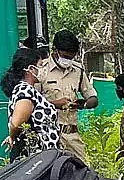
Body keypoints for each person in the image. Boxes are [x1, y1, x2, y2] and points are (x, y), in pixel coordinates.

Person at [37, 29, 98, 160]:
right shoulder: (41, 70)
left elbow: (93, 98)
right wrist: (54, 105)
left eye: (71, 57)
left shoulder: (78, 71)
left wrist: (85, 104)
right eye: (65, 56)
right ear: (55, 50)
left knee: (83, 172)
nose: (68, 60)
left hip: (72, 135)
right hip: (48, 134)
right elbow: (32, 104)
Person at [1, 47, 62, 163]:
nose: (44, 69)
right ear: (31, 69)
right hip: (33, 160)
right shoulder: (25, 91)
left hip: (40, 158)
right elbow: (16, 124)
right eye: (41, 65)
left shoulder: (28, 90)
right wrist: (12, 136)